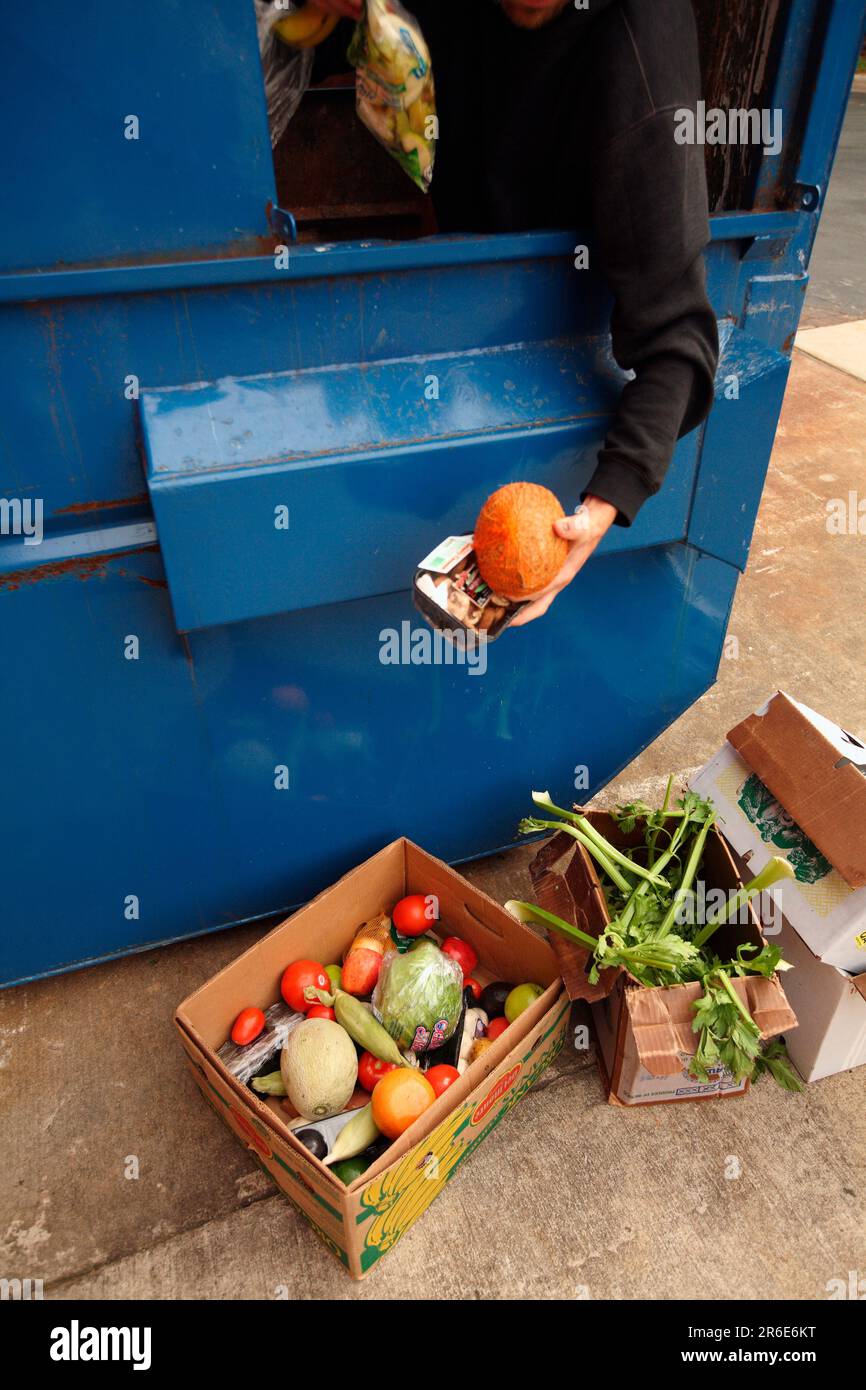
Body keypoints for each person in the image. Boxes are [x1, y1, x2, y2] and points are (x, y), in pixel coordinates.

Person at [310, 0, 719, 625]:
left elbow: (679, 339)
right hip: (442, 300)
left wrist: (603, 508)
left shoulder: (641, 53)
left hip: (541, 346)